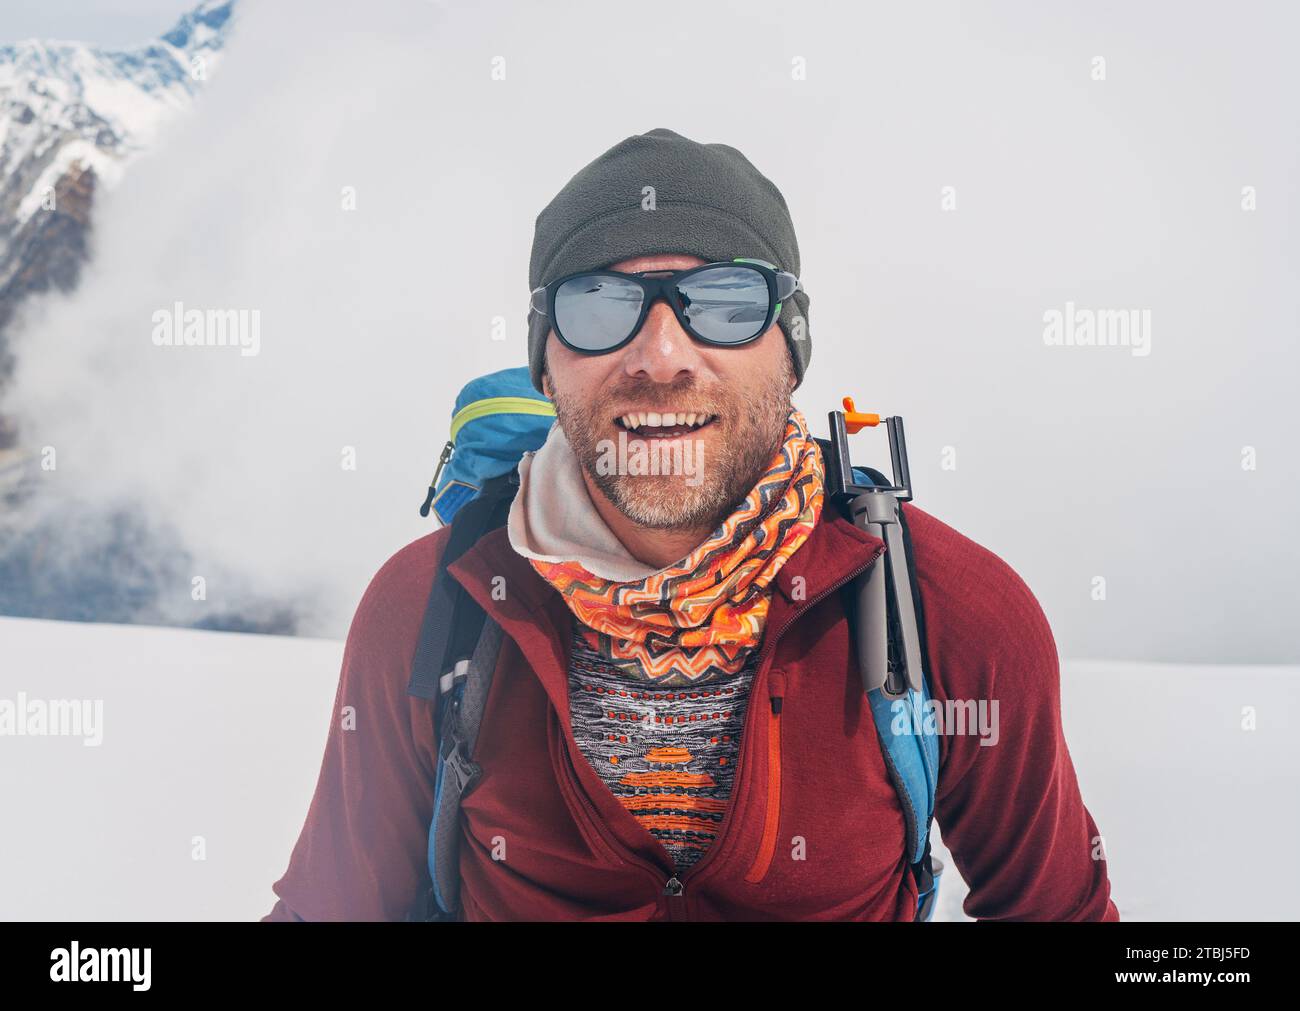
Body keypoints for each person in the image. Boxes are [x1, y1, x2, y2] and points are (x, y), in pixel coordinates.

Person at [263, 128, 1118, 921]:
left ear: (792, 346)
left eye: (725, 299)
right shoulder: (438, 604)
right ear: (546, 358)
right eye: (598, 305)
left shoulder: (946, 615)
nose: (660, 356)